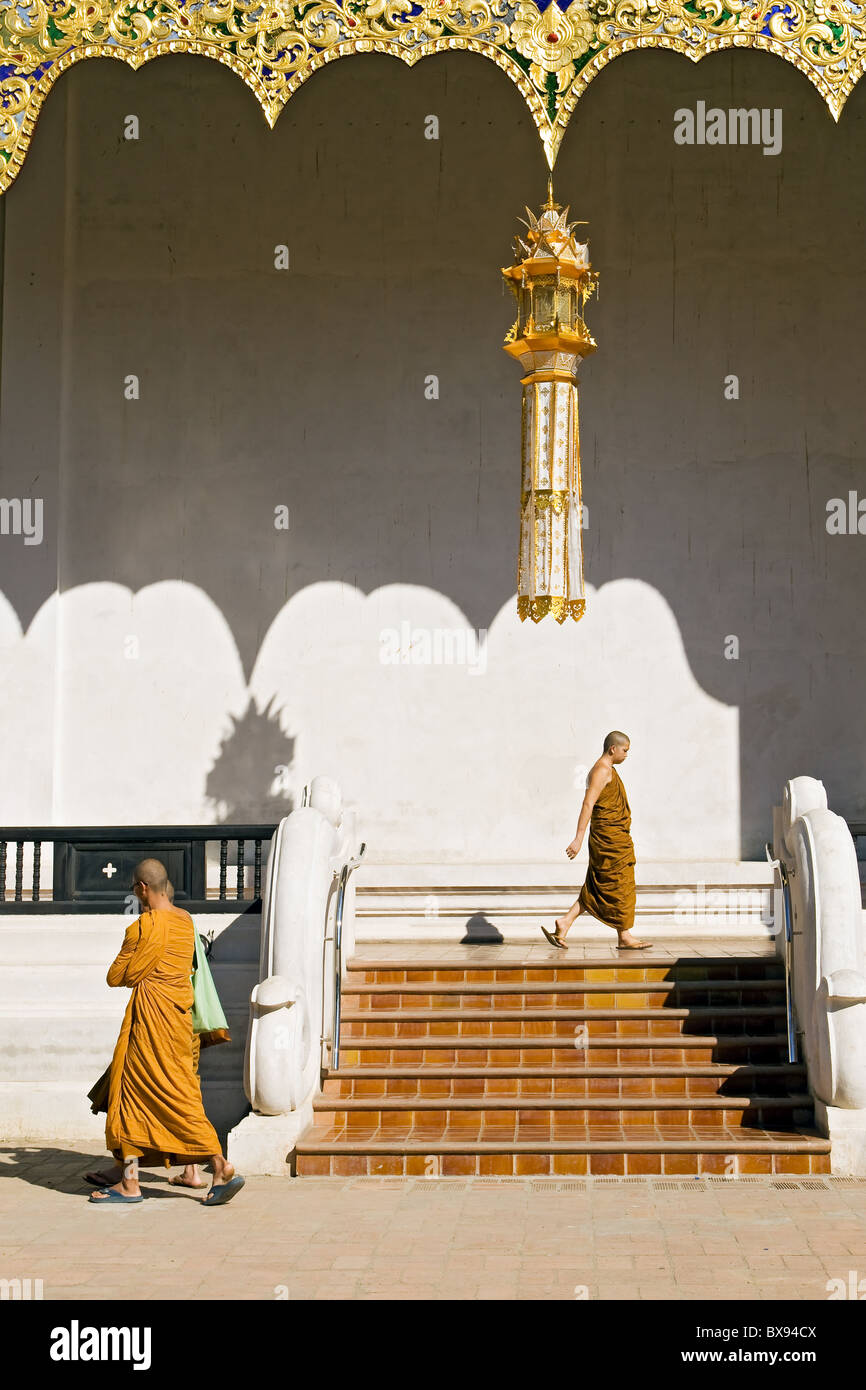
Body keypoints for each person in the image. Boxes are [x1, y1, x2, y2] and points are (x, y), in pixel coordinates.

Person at [87, 858, 244, 1206]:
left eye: (134, 887)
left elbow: (117, 976)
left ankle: (132, 1184)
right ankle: (214, 1167)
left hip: (149, 1026)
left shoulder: (143, 927)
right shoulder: (186, 921)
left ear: (143, 888)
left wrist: (135, 964)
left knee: (130, 1099)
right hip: (180, 1023)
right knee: (181, 1098)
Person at [541, 731, 650, 951]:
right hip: (607, 839)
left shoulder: (609, 770)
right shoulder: (601, 770)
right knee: (616, 883)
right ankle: (624, 935)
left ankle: (565, 923)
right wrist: (578, 838)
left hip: (615, 837)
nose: (627, 754)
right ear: (613, 749)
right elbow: (588, 804)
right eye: (625, 750)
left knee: (601, 885)